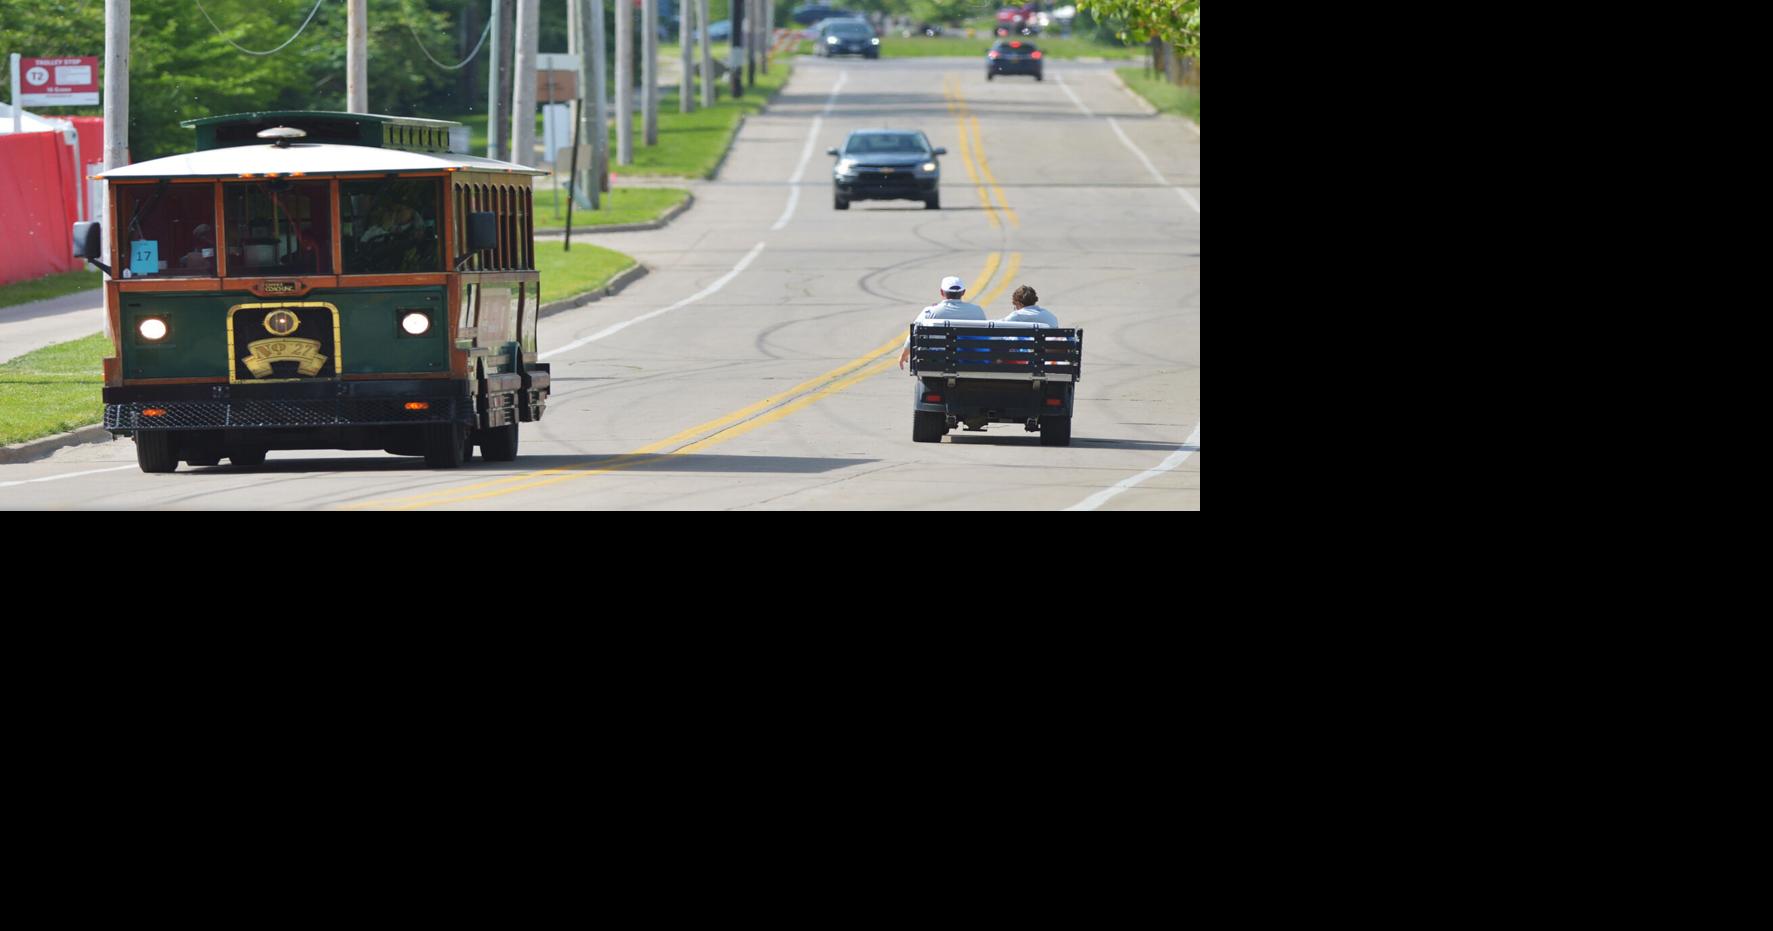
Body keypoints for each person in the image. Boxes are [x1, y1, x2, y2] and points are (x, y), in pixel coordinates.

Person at [899, 275, 987, 369]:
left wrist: (904, 355)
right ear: (963, 292)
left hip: (939, 362)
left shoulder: (930, 312)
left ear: (941, 292)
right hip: (971, 361)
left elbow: (913, 334)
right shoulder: (978, 311)